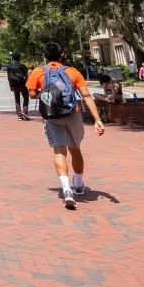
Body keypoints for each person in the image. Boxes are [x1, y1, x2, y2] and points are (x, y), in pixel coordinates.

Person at [26, 42, 105, 209]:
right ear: (62, 55)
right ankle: (78, 184)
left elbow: (32, 94)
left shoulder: (38, 72)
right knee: (75, 149)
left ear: (44, 56)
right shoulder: (72, 72)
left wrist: (43, 90)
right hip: (73, 113)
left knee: (59, 151)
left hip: (51, 116)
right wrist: (97, 119)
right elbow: (86, 95)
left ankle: (67, 190)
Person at [7, 52, 30, 120]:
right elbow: (26, 76)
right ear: (20, 58)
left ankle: (19, 115)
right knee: (26, 97)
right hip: (22, 83)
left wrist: (10, 85)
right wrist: (27, 84)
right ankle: (24, 111)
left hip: (14, 83)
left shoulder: (9, 66)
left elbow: (8, 76)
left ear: (13, 58)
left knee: (17, 99)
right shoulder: (22, 66)